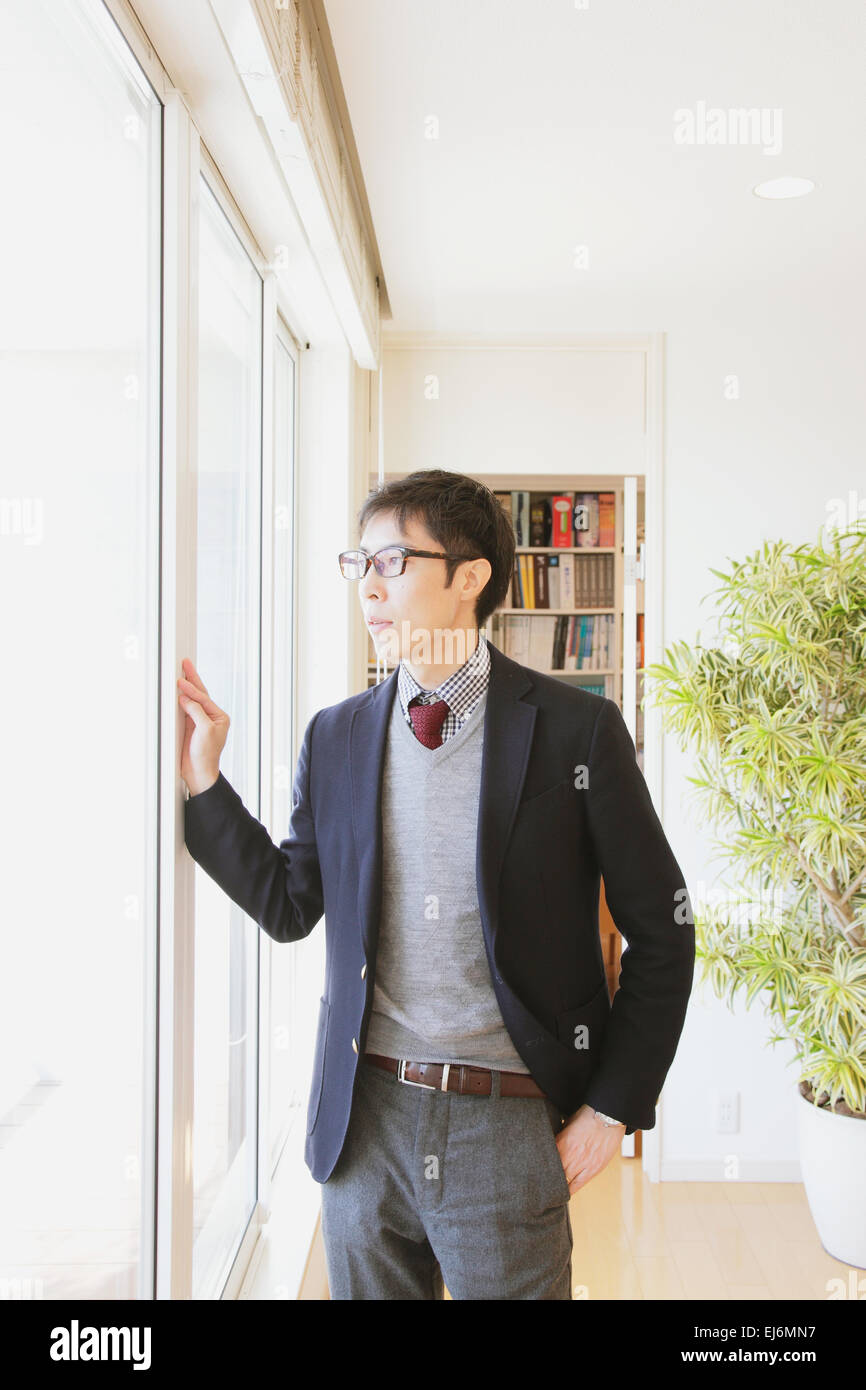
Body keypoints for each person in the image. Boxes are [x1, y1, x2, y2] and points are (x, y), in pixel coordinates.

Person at [178, 468, 694, 1300]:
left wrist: (612, 1108)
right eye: (361, 566)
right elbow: (288, 904)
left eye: (393, 563)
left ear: (470, 577)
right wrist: (207, 786)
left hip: (507, 1121)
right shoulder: (336, 736)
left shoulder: (577, 730)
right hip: (364, 1120)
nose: (369, 590)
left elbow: (664, 931)